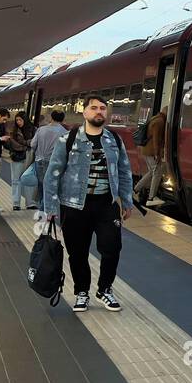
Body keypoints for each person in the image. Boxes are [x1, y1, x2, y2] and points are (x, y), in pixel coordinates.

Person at [43, 95, 132, 312]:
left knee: (112, 248)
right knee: (78, 252)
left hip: (106, 204)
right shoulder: (68, 139)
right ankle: (82, 291)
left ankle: (104, 290)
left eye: (103, 108)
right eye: (94, 108)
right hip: (73, 206)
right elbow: (52, 174)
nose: (99, 111)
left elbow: (124, 171)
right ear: (84, 112)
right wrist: (51, 208)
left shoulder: (114, 140)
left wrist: (126, 200)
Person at [31, 110, 67, 211]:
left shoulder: (41, 129)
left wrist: (38, 152)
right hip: (53, 162)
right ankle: (44, 209)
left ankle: (41, 207)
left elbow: (33, 145)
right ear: (63, 119)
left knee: (41, 185)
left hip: (39, 160)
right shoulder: (64, 132)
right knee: (50, 186)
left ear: (51, 118)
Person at [134, 109, 167, 206]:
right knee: (157, 172)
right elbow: (156, 138)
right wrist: (157, 153)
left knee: (152, 171)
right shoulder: (159, 122)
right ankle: (151, 198)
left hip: (146, 150)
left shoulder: (154, 118)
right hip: (151, 151)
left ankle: (136, 189)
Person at [4, 112, 36, 210]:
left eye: (20, 120)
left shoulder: (34, 129)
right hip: (17, 156)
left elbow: (35, 142)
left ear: (25, 120)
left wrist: (28, 145)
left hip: (30, 156)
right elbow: (13, 144)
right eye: (17, 120)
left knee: (29, 178)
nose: (18, 122)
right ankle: (16, 203)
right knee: (16, 180)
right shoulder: (13, 130)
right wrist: (26, 145)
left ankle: (30, 203)